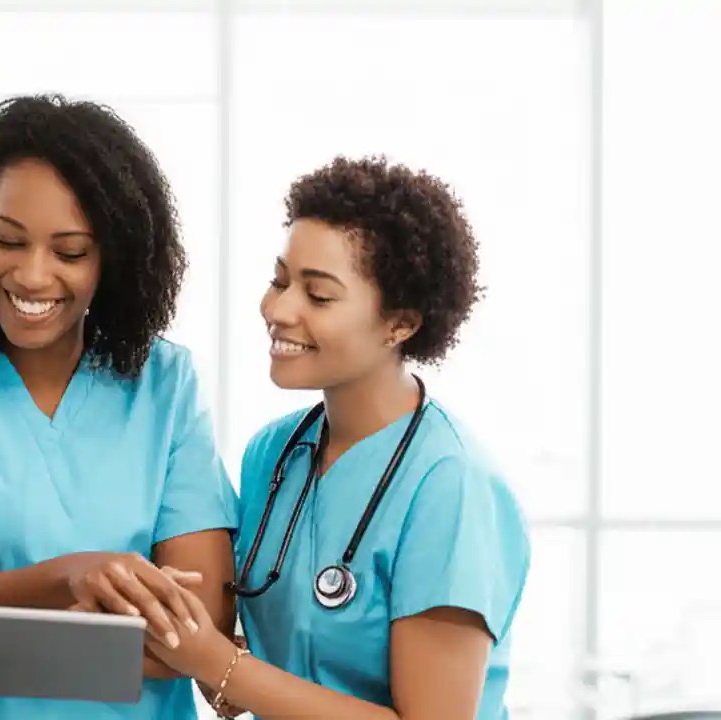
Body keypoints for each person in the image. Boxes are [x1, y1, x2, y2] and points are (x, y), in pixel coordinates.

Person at [0, 94, 240, 719]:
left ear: (112, 258)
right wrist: (77, 577)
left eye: (70, 252)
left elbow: (196, 638)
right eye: (9, 241)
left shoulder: (166, 384)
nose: (32, 277)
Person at [138, 156, 531, 719]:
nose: (279, 309)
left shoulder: (451, 485)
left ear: (401, 323)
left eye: (318, 296)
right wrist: (182, 626)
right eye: (280, 281)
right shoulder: (272, 456)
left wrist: (217, 661)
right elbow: (241, 678)